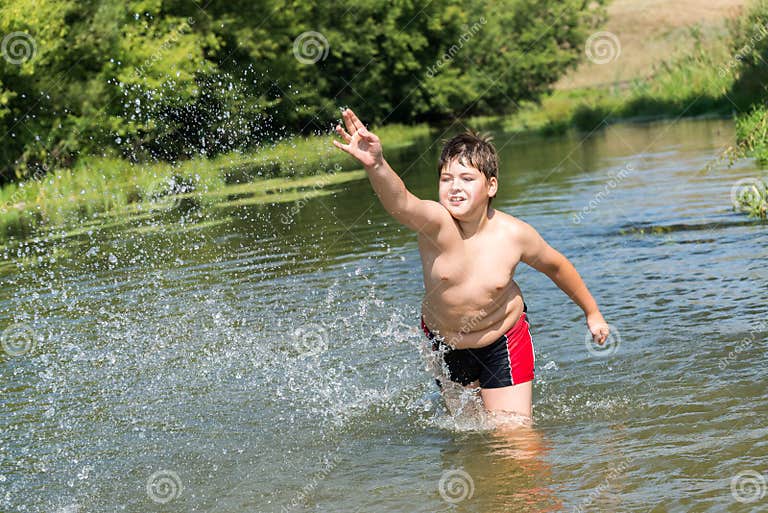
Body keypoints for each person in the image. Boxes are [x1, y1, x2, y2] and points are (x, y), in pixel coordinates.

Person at [332, 108, 609, 423]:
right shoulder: (436, 224)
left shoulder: (514, 235)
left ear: (491, 186)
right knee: (470, 438)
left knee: (514, 438)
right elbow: (402, 202)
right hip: (444, 344)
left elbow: (556, 266)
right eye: (446, 178)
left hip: (503, 338)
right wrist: (377, 165)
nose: (454, 187)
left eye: (466, 178)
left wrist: (592, 312)